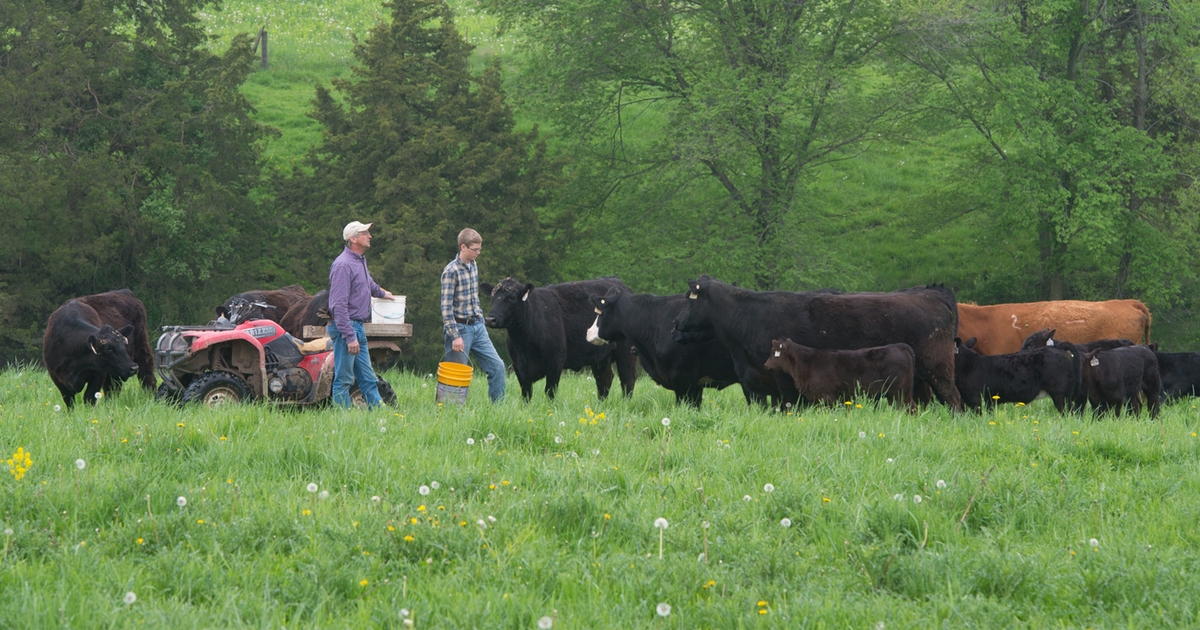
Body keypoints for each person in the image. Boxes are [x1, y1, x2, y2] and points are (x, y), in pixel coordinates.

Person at [328, 221, 395, 408]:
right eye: (365, 233)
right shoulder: (342, 265)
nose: (370, 236)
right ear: (353, 238)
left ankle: (380, 415)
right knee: (344, 380)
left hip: (358, 326)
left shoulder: (359, 260)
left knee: (368, 378)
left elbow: (369, 284)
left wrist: (383, 294)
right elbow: (338, 305)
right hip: (347, 328)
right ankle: (342, 419)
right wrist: (349, 336)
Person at [441, 228, 506, 402]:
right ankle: (451, 411)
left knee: (498, 367)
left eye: (479, 249)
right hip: (460, 329)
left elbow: (473, 297)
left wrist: (480, 318)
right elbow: (446, 308)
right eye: (475, 249)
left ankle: (499, 409)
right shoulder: (451, 272)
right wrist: (455, 336)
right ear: (463, 247)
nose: (478, 253)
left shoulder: (473, 265)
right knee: (456, 376)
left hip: (478, 326)